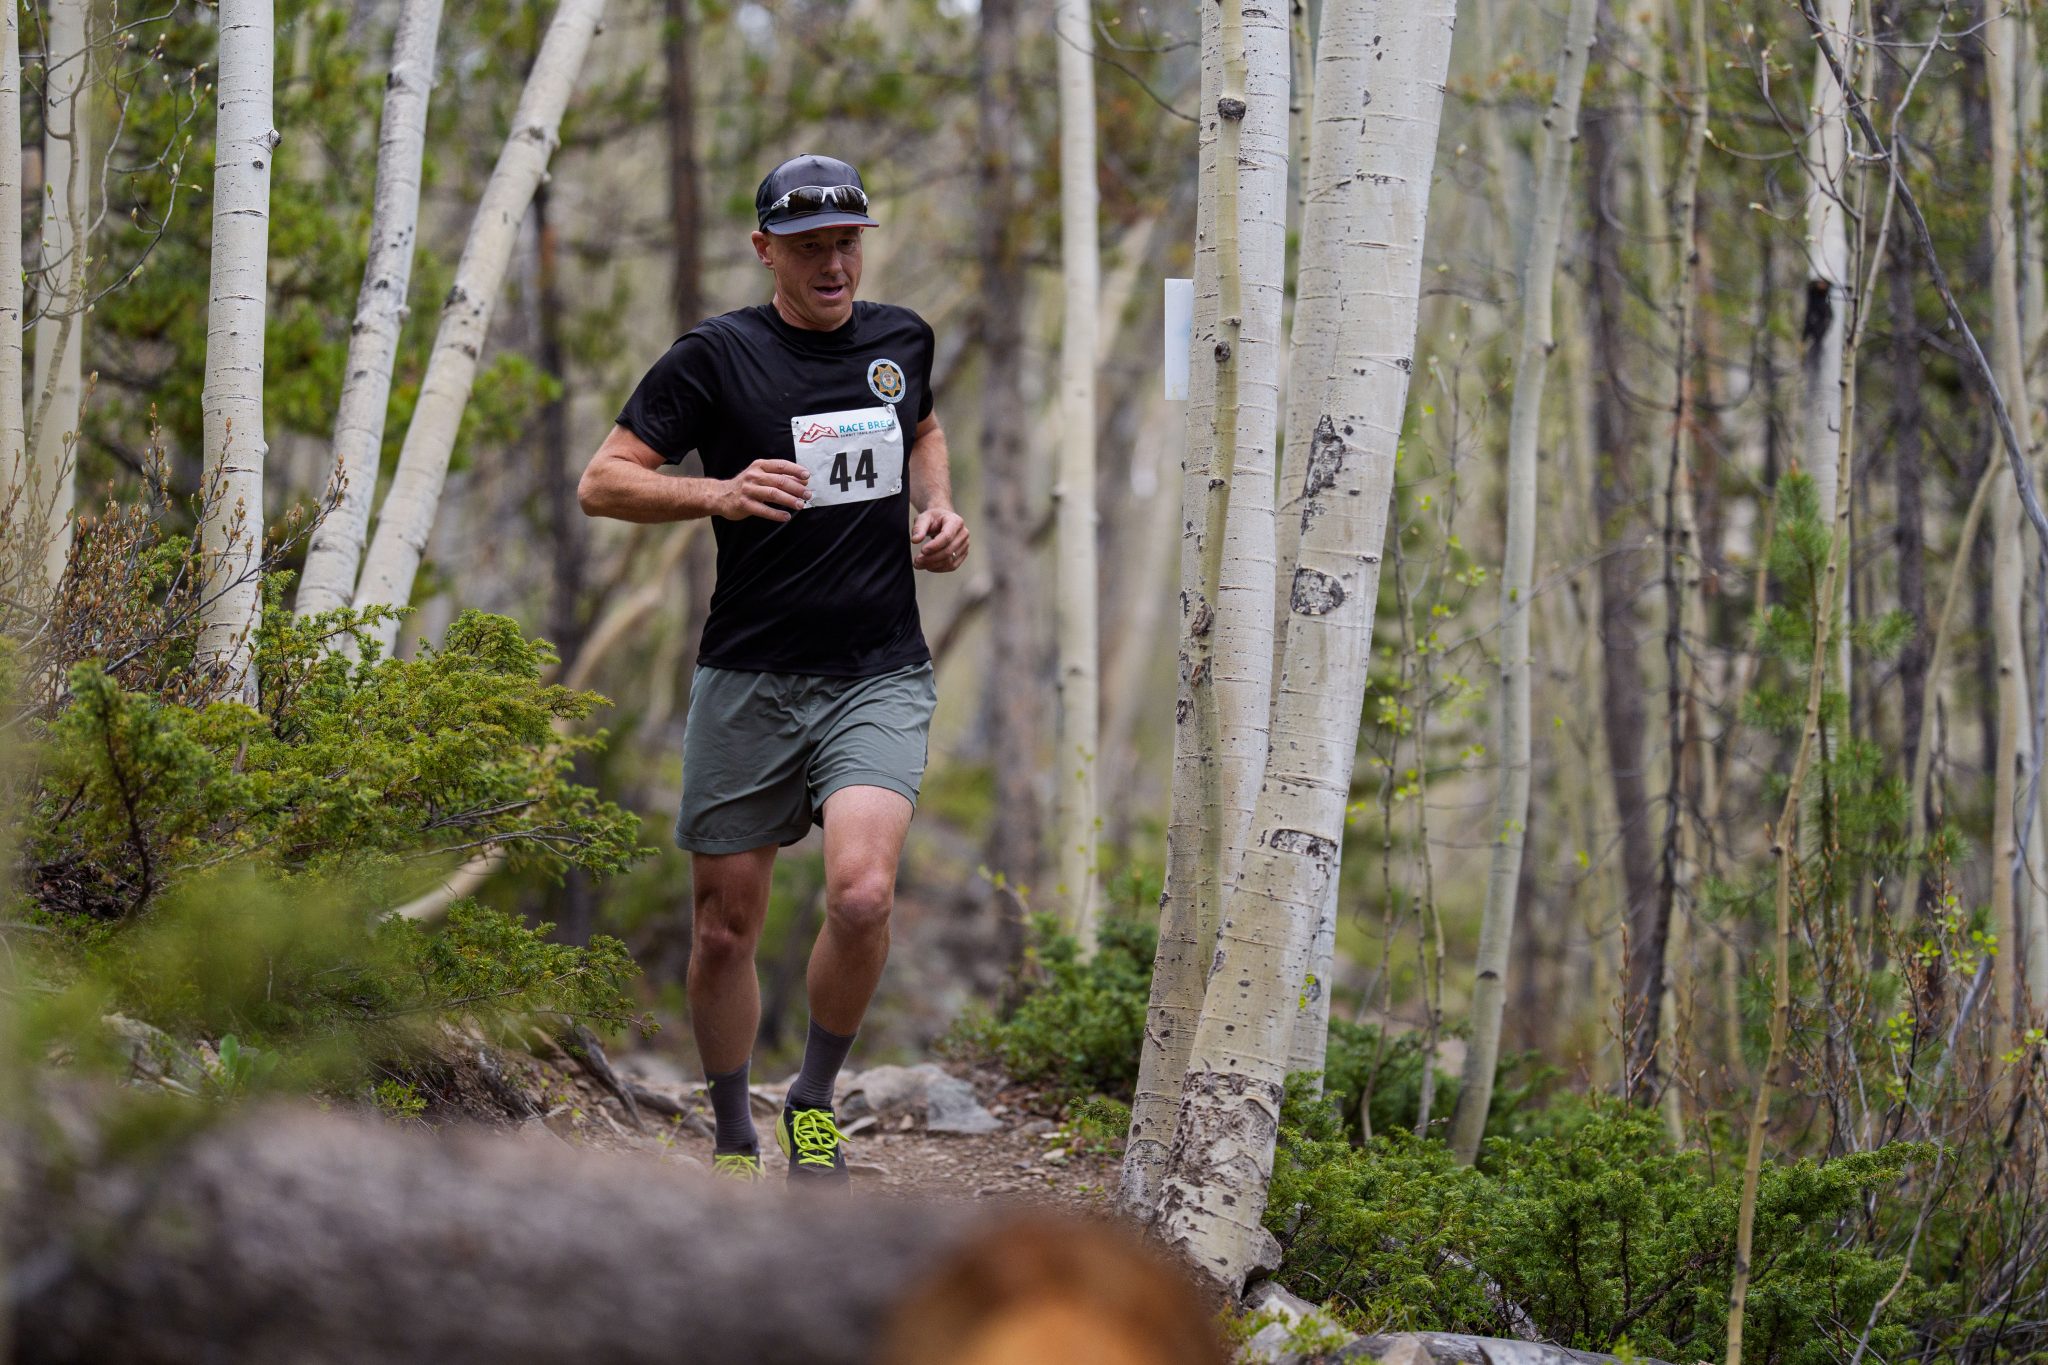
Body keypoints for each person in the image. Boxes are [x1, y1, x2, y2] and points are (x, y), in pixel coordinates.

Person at [578, 154, 968, 1183]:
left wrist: (935, 510)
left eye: (846, 242)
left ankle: (810, 1099)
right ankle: (730, 1129)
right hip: (750, 673)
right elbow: (602, 481)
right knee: (721, 931)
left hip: (875, 668)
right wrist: (716, 494)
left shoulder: (899, 339)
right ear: (765, 252)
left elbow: (921, 428)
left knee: (861, 894)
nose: (833, 264)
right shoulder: (713, 359)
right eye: (808, 248)